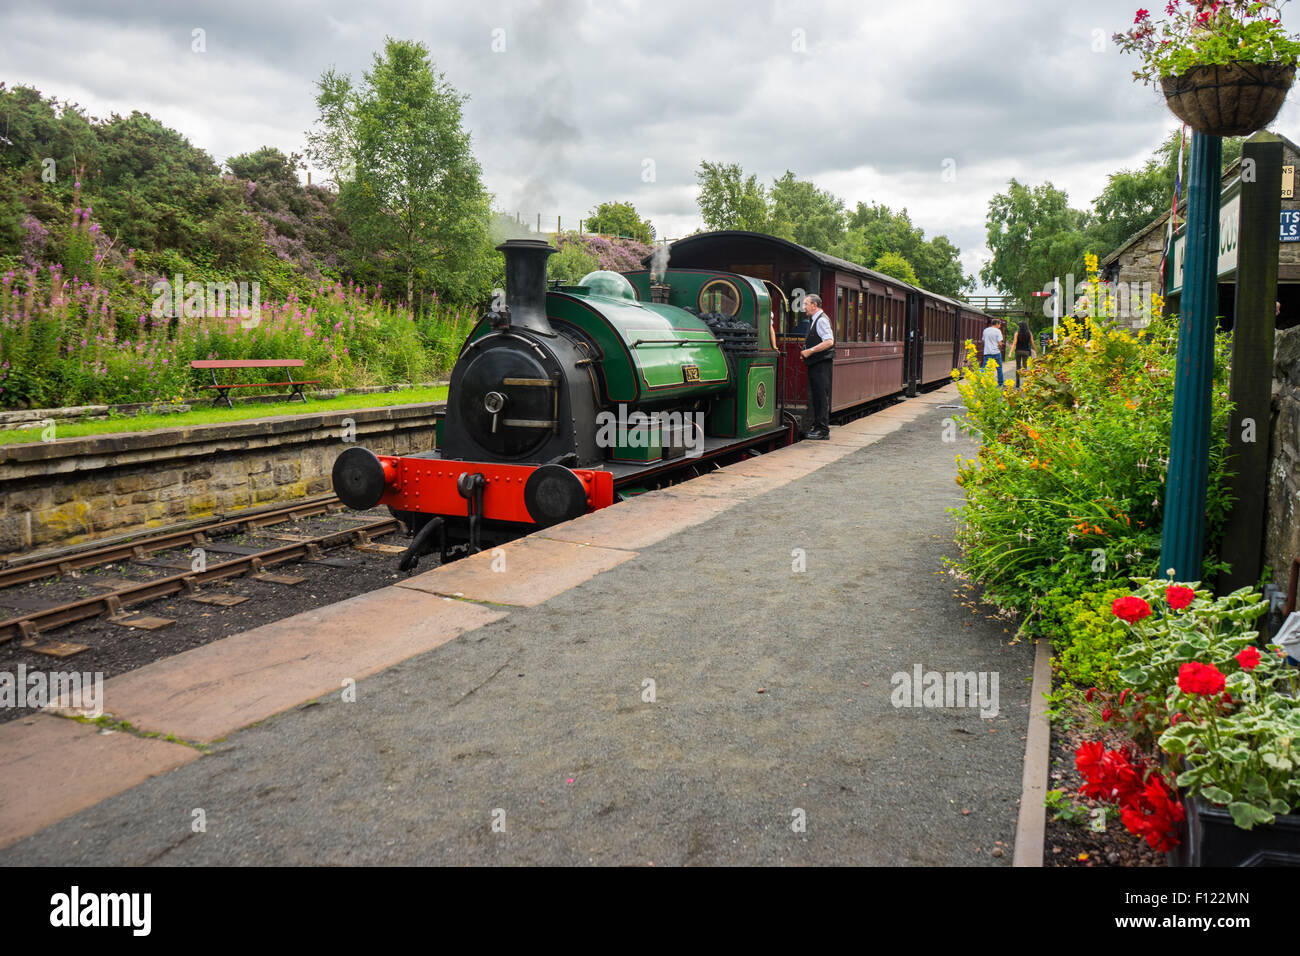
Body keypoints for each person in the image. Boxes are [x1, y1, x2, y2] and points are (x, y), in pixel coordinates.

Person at [800, 293, 834, 439]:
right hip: (817, 363)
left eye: (806, 304)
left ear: (814, 305)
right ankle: (818, 427)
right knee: (817, 396)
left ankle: (822, 430)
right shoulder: (816, 319)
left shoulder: (821, 321)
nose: (804, 308)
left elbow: (829, 341)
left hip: (821, 364)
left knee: (821, 396)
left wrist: (810, 351)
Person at [981, 316, 1004, 387]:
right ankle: (1000, 383)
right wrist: (1000, 348)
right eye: (999, 324)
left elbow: (983, 340)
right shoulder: (998, 331)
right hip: (996, 352)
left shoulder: (985, 330)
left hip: (987, 352)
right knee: (999, 368)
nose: (1000, 326)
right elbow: (1000, 343)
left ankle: (979, 379)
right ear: (997, 324)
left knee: (984, 367)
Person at [1012, 320, 1036, 388]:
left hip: (1018, 351)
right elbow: (1032, 342)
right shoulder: (1029, 333)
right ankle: (1025, 383)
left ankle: (1017, 384)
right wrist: (1035, 350)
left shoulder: (1017, 333)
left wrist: (1010, 352)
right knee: (1025, 367)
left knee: (1018, 367)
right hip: (1026, 352)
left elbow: (1014, 343)